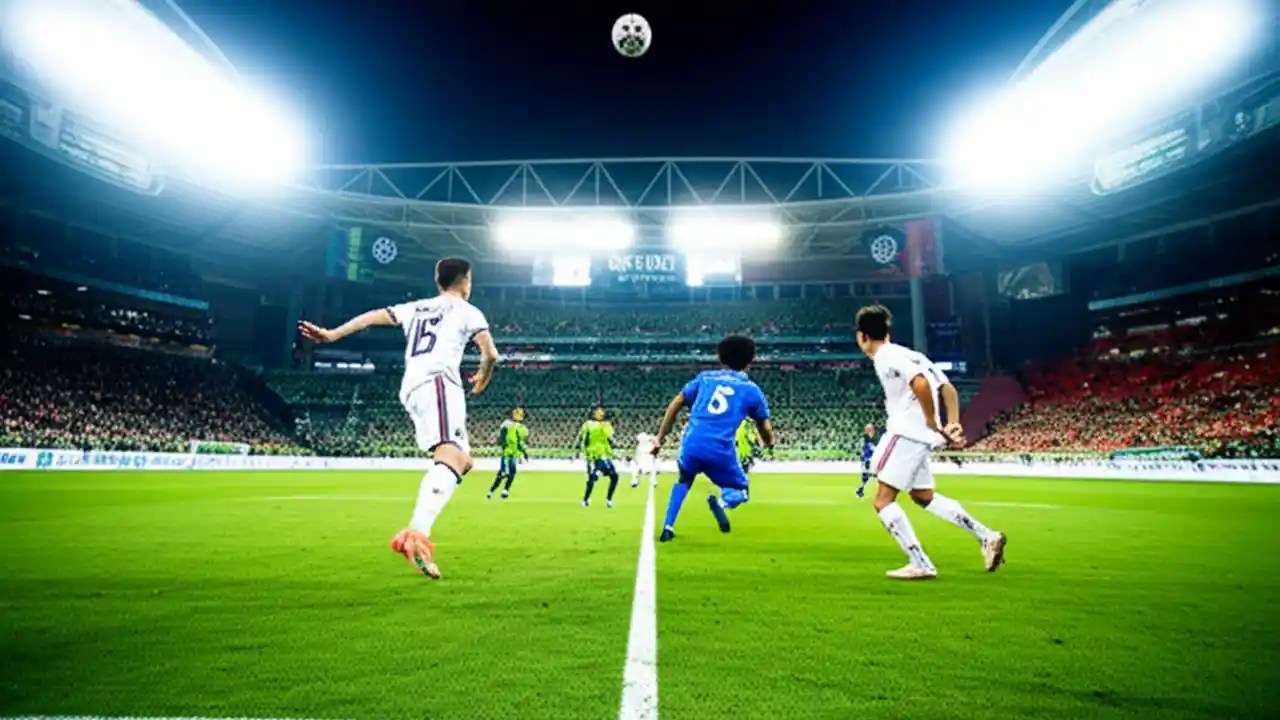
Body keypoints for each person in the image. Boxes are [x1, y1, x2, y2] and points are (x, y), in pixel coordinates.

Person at [298, 257, 499, 580]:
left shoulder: (417, 307)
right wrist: (483, 378)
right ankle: (416, 537)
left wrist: (334, 334)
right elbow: (490, 354)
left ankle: (419, 533)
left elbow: (372, 316)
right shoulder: (468, 311)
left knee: (463, 461)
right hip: (438, 383)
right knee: (449, 454)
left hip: (413, 387)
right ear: (465, 280)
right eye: (470, 280)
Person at [854, 304, 1006, 580]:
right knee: (922, 497)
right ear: (887, 331)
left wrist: (933, 422)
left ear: (861, 336)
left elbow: (921, 384)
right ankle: (987, 536)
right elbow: (947, 387)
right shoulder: (911, 354)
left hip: (905, 433)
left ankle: (920, 562)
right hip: (920, 438)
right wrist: (953, 423)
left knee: (882, 501)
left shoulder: (885, 356)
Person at [652, 335, 775, 542]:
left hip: (692, 444)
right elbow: (764, 426)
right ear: (750, 360)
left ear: (721, 358)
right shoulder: (752, 390)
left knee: (684, 479)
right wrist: (769, 443)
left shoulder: (705, 379)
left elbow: (677, 402)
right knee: (740, 490)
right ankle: (722, 503)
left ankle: (668, 526)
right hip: (720, 449)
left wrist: (660, 438)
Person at [579, 406, 620, 508]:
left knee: (614, 476)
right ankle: (586, 499)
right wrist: (584, 453)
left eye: (601, 411)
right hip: (593, 454)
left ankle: (609, 499)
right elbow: (584, 439)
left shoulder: (605, 425)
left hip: (604, 455)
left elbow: (609, 436)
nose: (600, 413)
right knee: (592, 478)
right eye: (597, 411)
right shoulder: (588, 425)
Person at [488, 407, 529, 499]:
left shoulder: (518, 427)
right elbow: (502, 436)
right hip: (507, 451)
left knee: (511, 471)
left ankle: (504, 490)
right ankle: (493, 490)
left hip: (513, 452)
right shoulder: (508, 425)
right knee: (504, 472)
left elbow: (519, 441)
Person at [855, 423, 877, 499]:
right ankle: (860, 490)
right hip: (867, 461)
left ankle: (860, 490)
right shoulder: (867, 442)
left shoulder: (869, 441)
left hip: (868, 460)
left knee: (868, 477)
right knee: (868, 476)